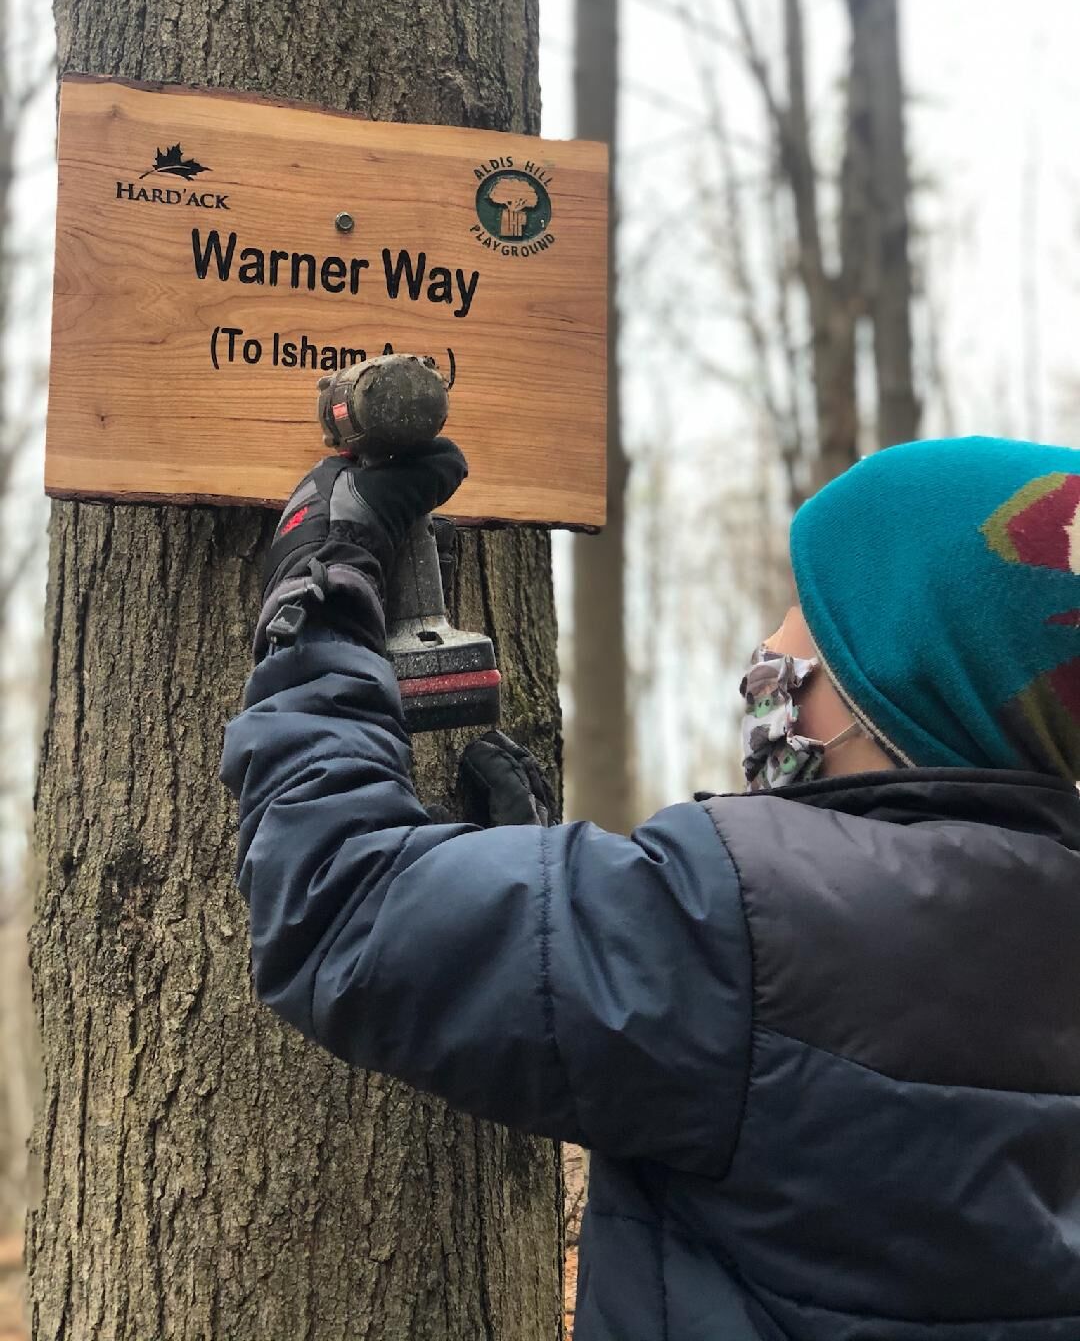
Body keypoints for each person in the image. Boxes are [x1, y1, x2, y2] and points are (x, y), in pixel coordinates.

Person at [221, 435, 1080, 1340]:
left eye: (802, 615)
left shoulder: (746, 923)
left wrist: (319, 607)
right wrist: (530, 904)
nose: (769, 650)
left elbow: (337, 900)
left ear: (895, 682)